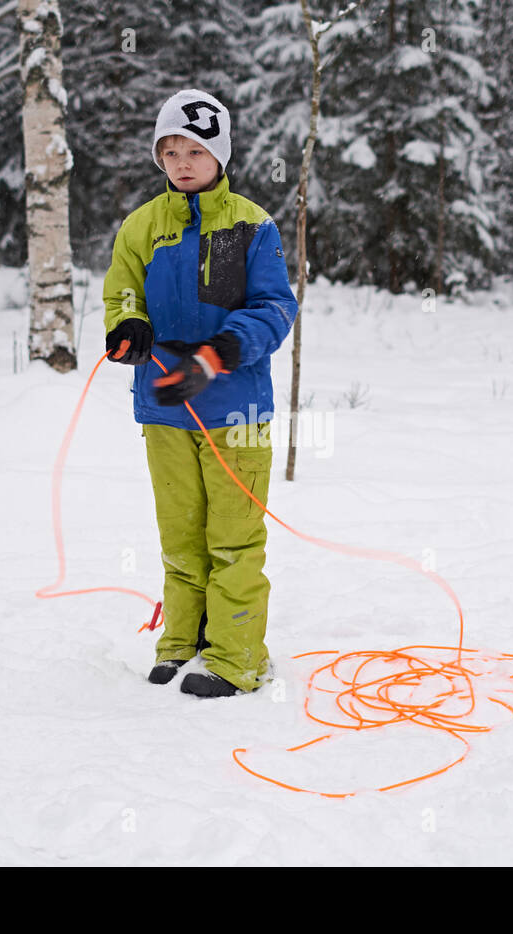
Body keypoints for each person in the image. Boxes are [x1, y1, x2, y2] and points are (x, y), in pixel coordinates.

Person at [101, 89, 299, 698]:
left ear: (221, 155)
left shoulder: (252, 224)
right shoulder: (141, 226)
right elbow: (121, 293)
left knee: (233, 540)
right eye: (170, 151)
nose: (183, 162)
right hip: (164, 408)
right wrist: (128, 326)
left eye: (196, 150)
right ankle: (181, 642)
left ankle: (237, 659)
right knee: (181, 536)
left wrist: (220, 353)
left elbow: (274, 307)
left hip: (234, 409)